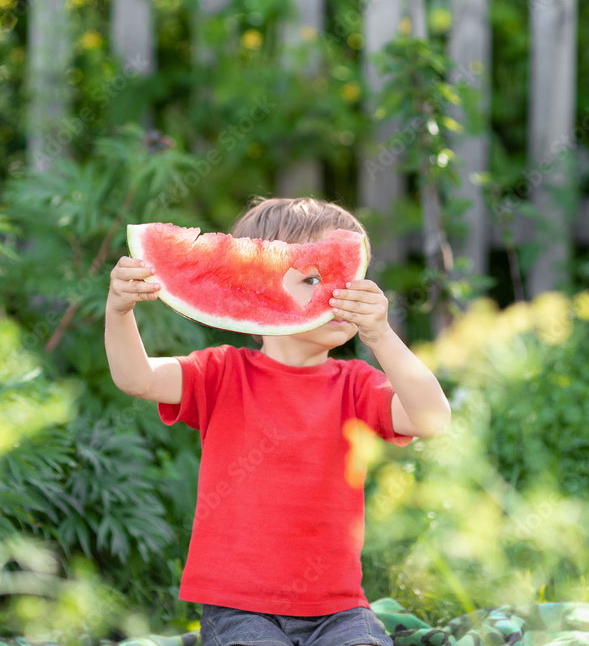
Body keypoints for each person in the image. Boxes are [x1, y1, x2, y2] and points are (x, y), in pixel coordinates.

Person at [104, 197, 451, 646]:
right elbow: (138, 379)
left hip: (338, 609)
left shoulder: (356, 384)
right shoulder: (222, 372)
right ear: (254, 289)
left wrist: (382, 335)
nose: (335, 293)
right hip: (238, 608)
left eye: (346, 277)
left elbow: (432, 419)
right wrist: (119, 311)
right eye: (313, 278)